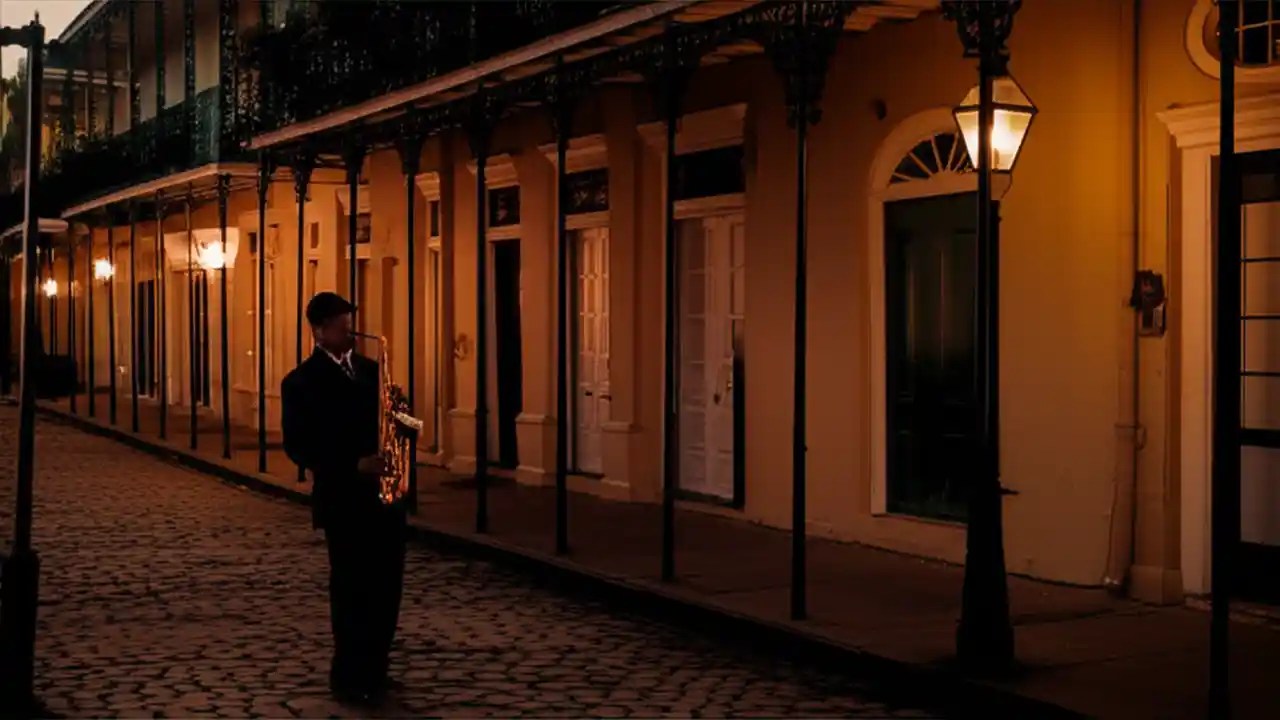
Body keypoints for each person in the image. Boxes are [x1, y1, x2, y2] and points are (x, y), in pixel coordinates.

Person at [281, 291, 406, 703]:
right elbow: (299, 446)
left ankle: (377, 666)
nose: (350, 331)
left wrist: (403, 421)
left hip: (384, 501)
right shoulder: (300, 382)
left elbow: (394, 426)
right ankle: (349, 673)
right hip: (343, 501)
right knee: (353, 587)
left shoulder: (373, 371)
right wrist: (354, 464)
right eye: (341, 325)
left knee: (387, 587)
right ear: (319, 331)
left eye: (350, 321)